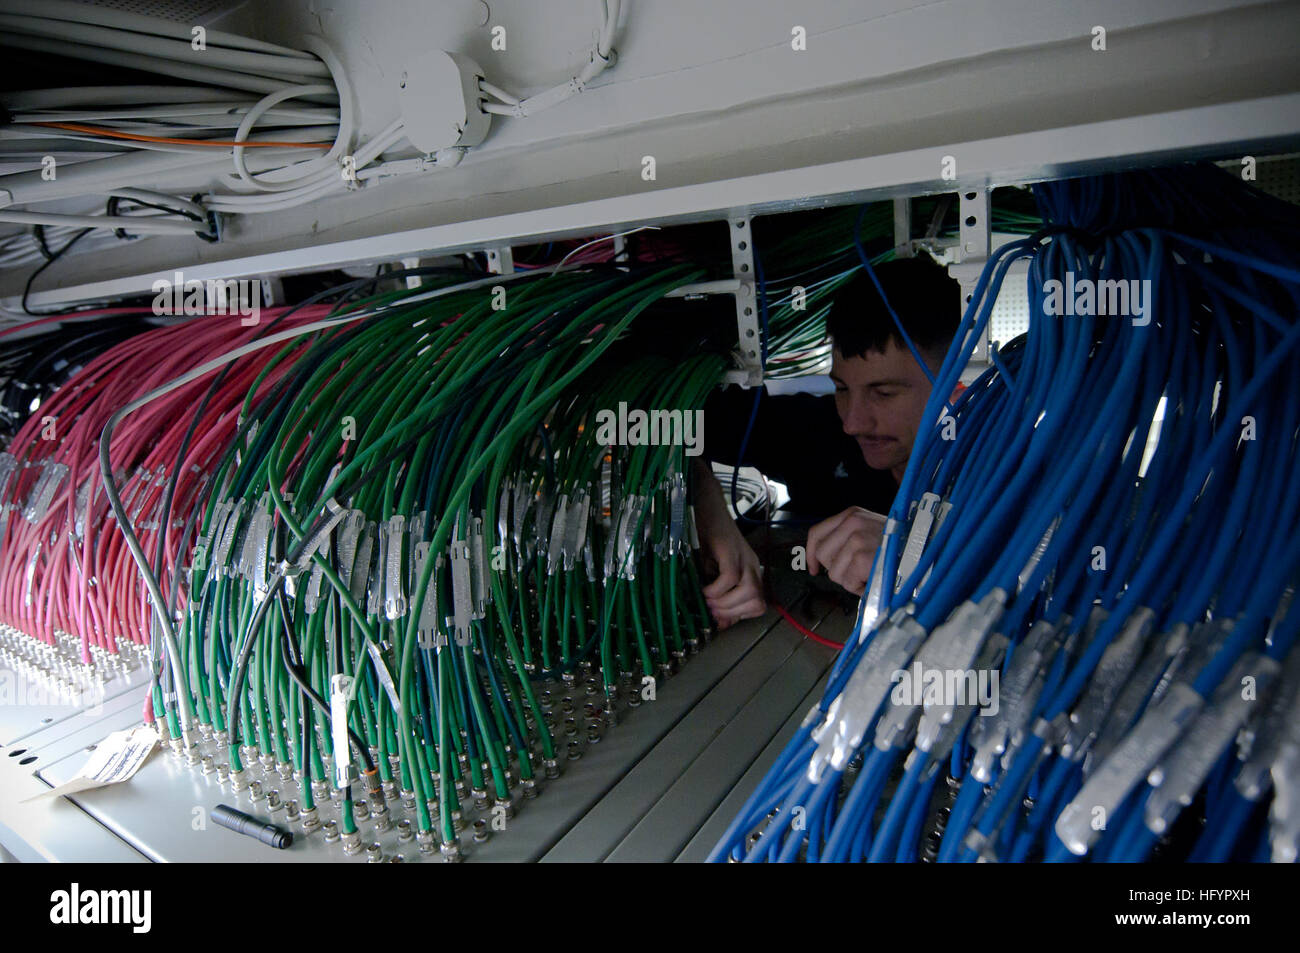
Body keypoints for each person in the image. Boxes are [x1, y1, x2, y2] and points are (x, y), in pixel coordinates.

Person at [693, 255, 961, 629]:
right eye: (841, 389)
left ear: (960, 381)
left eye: (883, 393)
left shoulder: (1010, 466)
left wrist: (916, 555)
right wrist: (712, 515)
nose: (853, 422)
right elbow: (670, 419)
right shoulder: (816, 429)